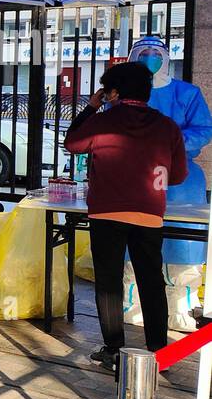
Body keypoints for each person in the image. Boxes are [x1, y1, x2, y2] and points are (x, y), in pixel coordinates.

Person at [64, 61, 187, 372]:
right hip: (149, 213)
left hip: (107, 211)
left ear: (113, 92)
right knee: (151, 279)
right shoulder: (167, 126)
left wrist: (91, 108)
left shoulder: (103, 121)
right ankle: (159, 349)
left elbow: (72, 143)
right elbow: (178, 175)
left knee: (109, 281)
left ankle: (113, 349)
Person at [126, 35, 212, 331]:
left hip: (181, 182)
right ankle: (133, 307)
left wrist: (171, 143)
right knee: (134, 246)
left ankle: (181, 307)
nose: (149, 58)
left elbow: (203, 129)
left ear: (166, 57)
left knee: (182, 245)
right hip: (135, 180)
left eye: (155, 53)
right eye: (142, 53)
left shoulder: (187, 93)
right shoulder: (123, 97)